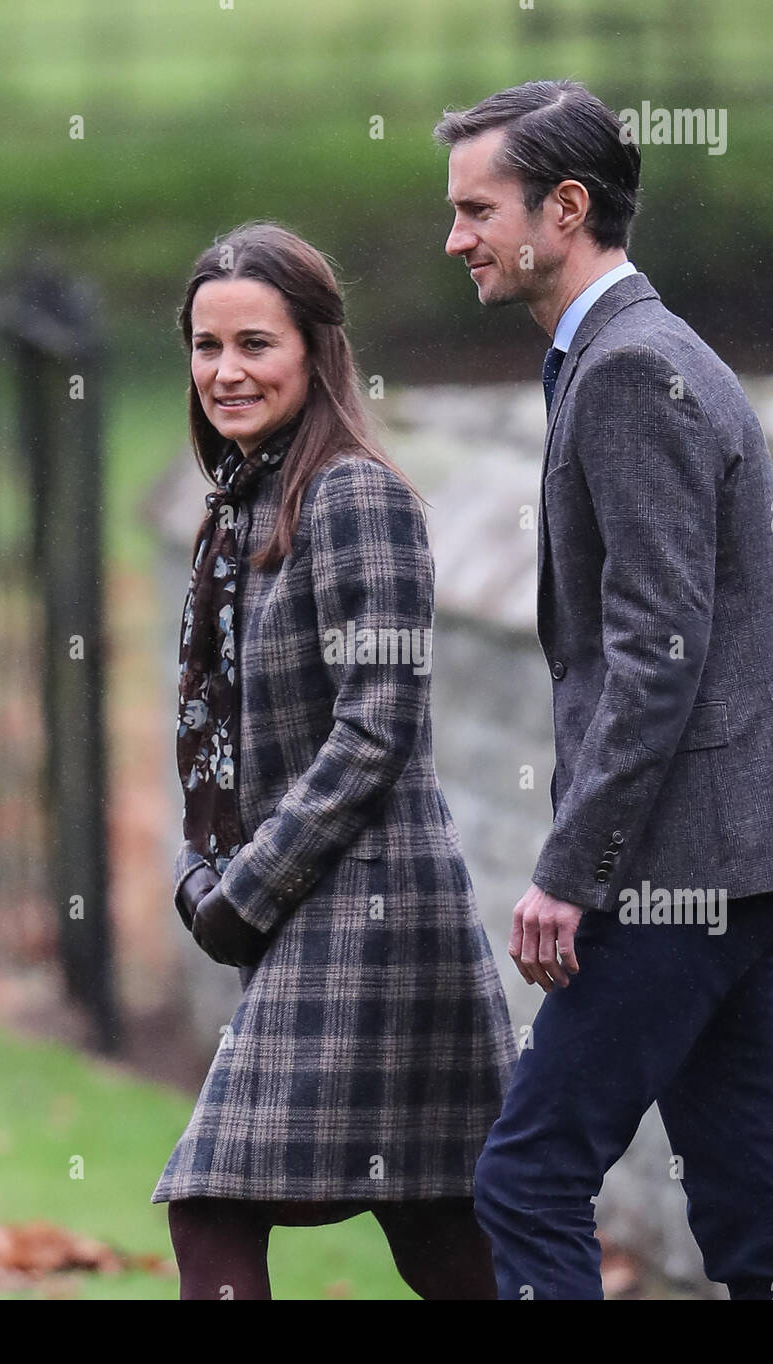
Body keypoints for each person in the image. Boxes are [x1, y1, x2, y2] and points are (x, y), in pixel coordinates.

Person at [434, 80, 773, 1300]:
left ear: (563, 209)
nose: (456, 237)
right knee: (764, 1235)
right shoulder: (623, 355)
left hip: (691, 864)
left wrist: (569, 871)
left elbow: (657, 651)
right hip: (736, 859)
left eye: (478, 209)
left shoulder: (631, 371)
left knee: (526, 1176)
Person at [150, 220, 516, 1300]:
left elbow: (375, 726)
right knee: (446, 1235)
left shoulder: (356, 497)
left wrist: (243, 893)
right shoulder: (246, 502)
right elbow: (221, 729)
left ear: (317, 350)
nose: (227, 372)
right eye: (207, 346)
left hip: (374, 913)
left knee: (215, 1200)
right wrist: (198, 869)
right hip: (316, 903)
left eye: (255, 344)